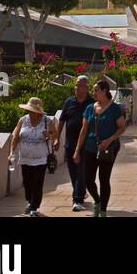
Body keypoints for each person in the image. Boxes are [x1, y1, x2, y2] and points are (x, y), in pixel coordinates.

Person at [73, 78, 126, 218]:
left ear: (104, 91)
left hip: (108, 149)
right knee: (88, 179)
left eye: (96, 90)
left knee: (104, 178)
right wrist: (77, 150)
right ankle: (97, 200)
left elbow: (122, 128)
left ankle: (103, 210)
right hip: (90, 148)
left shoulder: (114, 109)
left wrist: (109, 140)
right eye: (93, 90)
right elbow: (83, 130)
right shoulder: (90, 108)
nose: (93, 92)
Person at [11, 97, 58, 218]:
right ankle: (29, 201)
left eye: (33, 111)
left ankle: (34, 207)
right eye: (29, 111)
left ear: (38, 112)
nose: (31, 113)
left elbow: (55, 133)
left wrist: (49, 135)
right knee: (27, 182)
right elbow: (15, 136)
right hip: (25, 158)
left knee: (37, 183)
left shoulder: (47, 121)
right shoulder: (23, 120)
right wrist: (11, 152)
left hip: (41, 158)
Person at [54, 75, 91, 210]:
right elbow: (62, 121)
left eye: (80, 85)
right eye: (76, 85)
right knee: (73, 173)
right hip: (70, 144)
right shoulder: (68, 102)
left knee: (81, 172)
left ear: (86, 88)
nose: (76, 87)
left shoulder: (92, 103)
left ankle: (77, 200)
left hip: (86, 146)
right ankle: (81, 191)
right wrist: (57, 138)